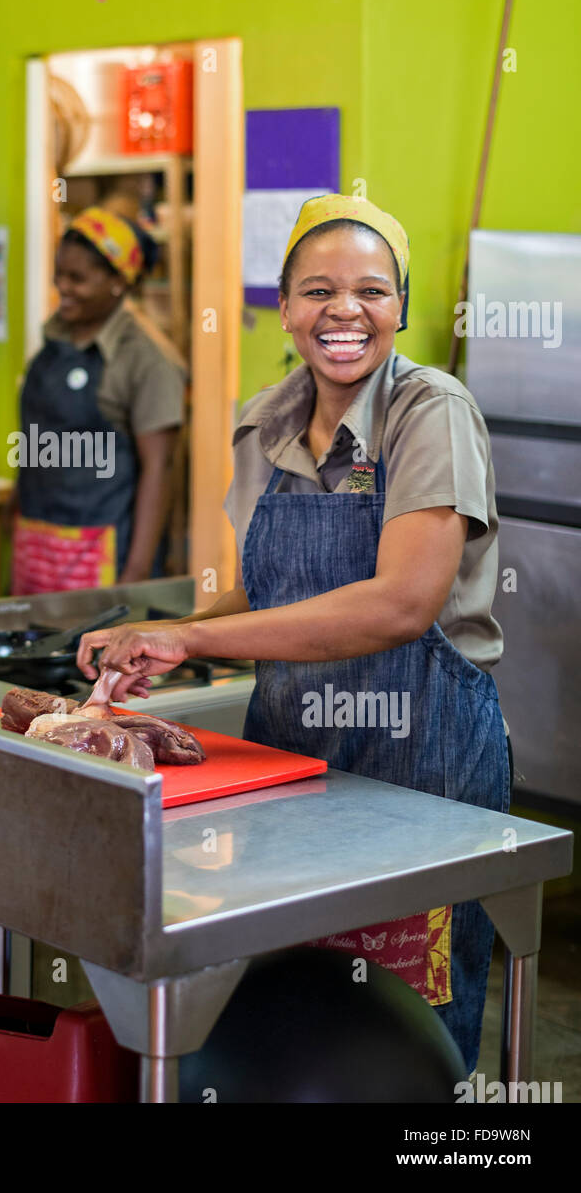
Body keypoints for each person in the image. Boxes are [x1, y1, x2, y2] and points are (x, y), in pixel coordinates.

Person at [76, 193, 511, 1075]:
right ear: (284, 307)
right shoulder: (261, 421)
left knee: (404, 1015)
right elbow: (275, 588)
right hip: (293, 755)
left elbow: (399, 604)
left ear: (399, 307)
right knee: (287, 997)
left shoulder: (428, 411)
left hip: (418, 754)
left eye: (370, 291)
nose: (344, 311)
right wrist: (170, 633)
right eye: (317, 290)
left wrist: (195, 644)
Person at [12, 206, 186, 593]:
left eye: (78, 278)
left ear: (118, 282)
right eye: (60, 274)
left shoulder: (147, 359)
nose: (63, 287)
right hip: (37, 539)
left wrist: (136, 574)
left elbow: (159, 470)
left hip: (106, 553)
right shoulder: (53, 341)